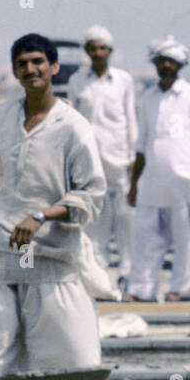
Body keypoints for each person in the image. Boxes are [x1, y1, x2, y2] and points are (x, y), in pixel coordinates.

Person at [0, 33, 106, 378]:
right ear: (14, 71)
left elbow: (92, 193)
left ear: (54, 67)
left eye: (38, 62)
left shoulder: (73, 127)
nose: (31, 70)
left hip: (51, 257)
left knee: (71, 362)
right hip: (0, 253)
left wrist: (42, 215)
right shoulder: (3, 116)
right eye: (22, 64)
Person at [127, 36, 190, 302]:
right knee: (145, 237)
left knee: (186, 239)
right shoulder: (149, 97)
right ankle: (140, 289)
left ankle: (181, 288)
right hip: (153, 182)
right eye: (161, 60)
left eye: (170, 60)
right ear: (155, 63)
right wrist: (133, 185)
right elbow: (142, 145)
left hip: (185, 181)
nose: (165, 65)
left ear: (179, 63)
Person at [69, 25, 137, 280]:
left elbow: (131, 118)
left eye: (102, 48)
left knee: (124, 216)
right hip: (90, 159)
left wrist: (133, 155)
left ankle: (128, 269)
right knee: (95, 217)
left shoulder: (123, 80)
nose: (97, 53)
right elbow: (73, 121)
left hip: (119, 157)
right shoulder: (77, 81)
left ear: (110, 51)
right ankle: (100, 270)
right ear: (87, 51)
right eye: (93, 48)